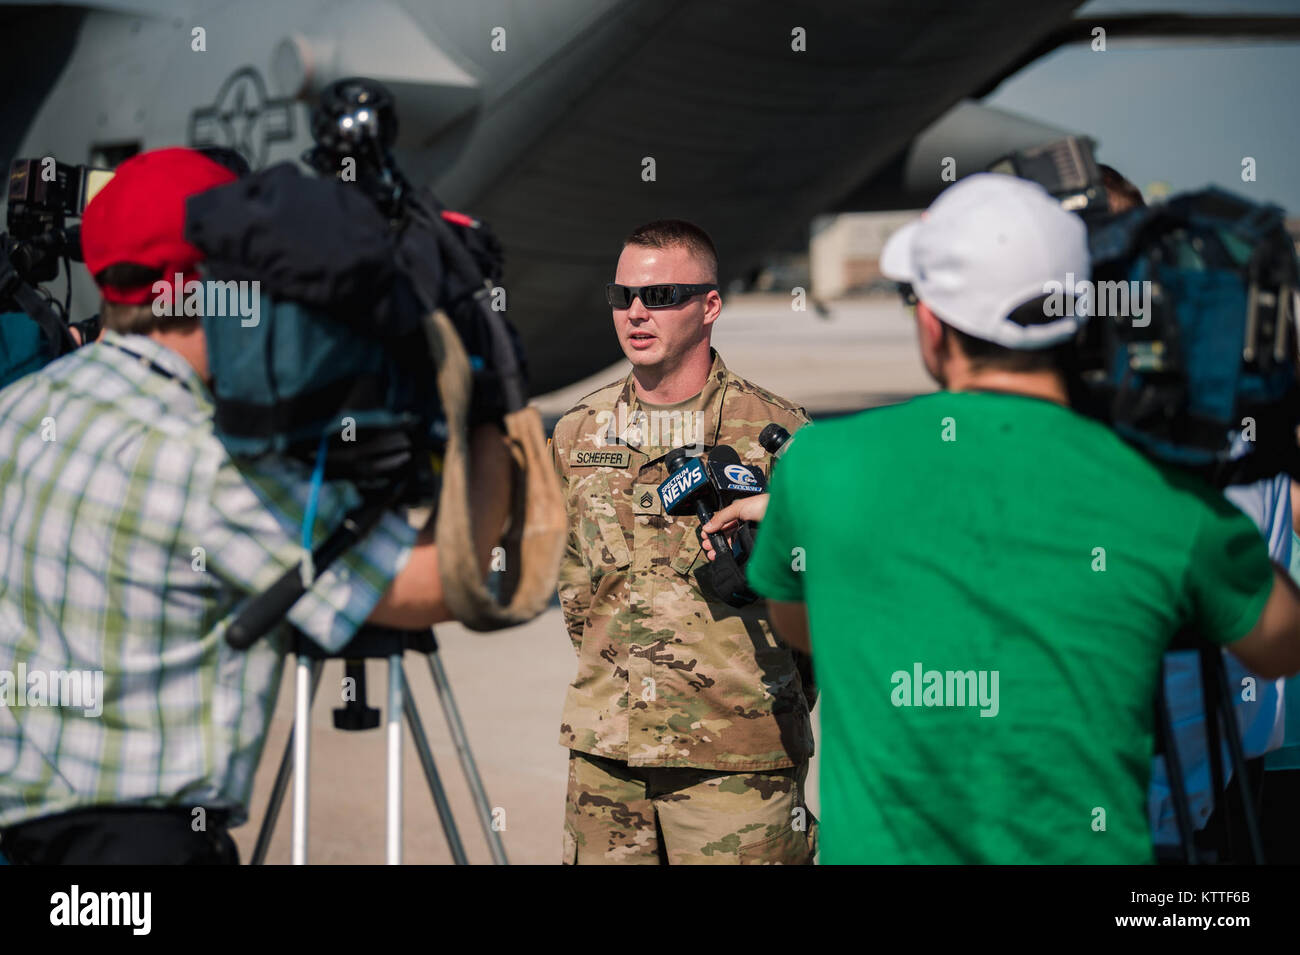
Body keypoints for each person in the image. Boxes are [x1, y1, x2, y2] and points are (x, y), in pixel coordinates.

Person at [737, 172, 1300, 863]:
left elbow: (799, 622)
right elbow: (1280, 642)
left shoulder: (820, 462)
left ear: (931, 322)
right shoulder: (1163, 492)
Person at [0, 147, 513, 864]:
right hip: (140, 853)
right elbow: (438, 584)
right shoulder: (204, 459)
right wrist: (488, 412)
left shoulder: (21, 408)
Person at [551, 219, 816, 864]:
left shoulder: (780, 434)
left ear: (710, 307)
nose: (638, 312)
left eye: (664, 296)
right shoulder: (578, 434)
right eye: (624, 297)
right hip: (606, 757)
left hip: (738, 759)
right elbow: (576, 593)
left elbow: (823, 601)